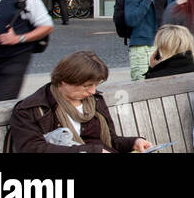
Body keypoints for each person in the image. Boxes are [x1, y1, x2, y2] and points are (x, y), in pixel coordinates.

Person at [10, 50, 152, 153]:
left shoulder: (95, 100)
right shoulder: (31, 109)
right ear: (64, 81)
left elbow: (111, 140)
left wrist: (134, 142)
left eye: (96, 84)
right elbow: (33, 149)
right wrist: (91, 151)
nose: (92, 91)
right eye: (87, 86)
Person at [121, 0, 180, 80]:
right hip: (142, 47)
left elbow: (172, 16)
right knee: (142, 87)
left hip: (163, 45)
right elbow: (131, 20)